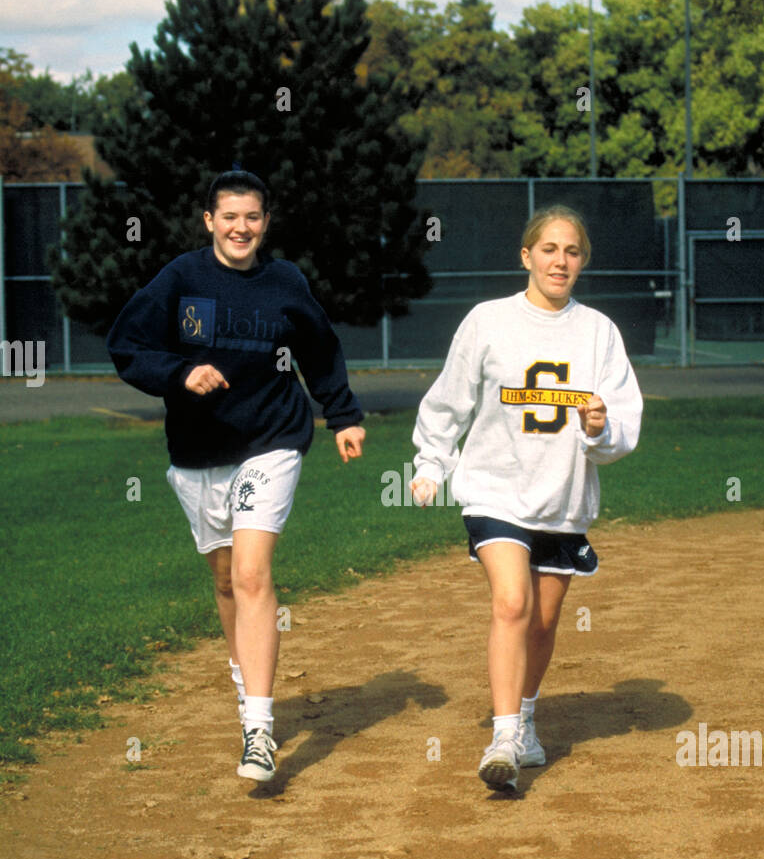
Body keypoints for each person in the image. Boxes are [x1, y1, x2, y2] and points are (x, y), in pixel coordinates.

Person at [106, 169, 365, 784]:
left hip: (272, 442)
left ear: (265, 222)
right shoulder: (182, 278)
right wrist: (179, 374)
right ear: (209, 222)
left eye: (252, 217)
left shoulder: (285, 282)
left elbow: (320, 349)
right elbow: (128, 345)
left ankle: (258, 729)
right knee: (226, 580)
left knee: (251, 572)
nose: (241, 227)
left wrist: (343, 415)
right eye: (229, 217)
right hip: (199, 454)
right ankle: (244, 669)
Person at [410, 205, 642, 792]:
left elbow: (623, 427)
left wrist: (598, 429)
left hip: (562, 498)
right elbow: (449, 401)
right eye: (548, 249)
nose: (559, 261)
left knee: (541, 621)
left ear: (582, 262)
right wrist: (430, 464)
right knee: (511, 603)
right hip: (494, 490)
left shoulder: (599, 334)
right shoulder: (488, 321)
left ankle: (528, 718)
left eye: (571, 251)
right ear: (526, 256)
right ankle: (504, 737)